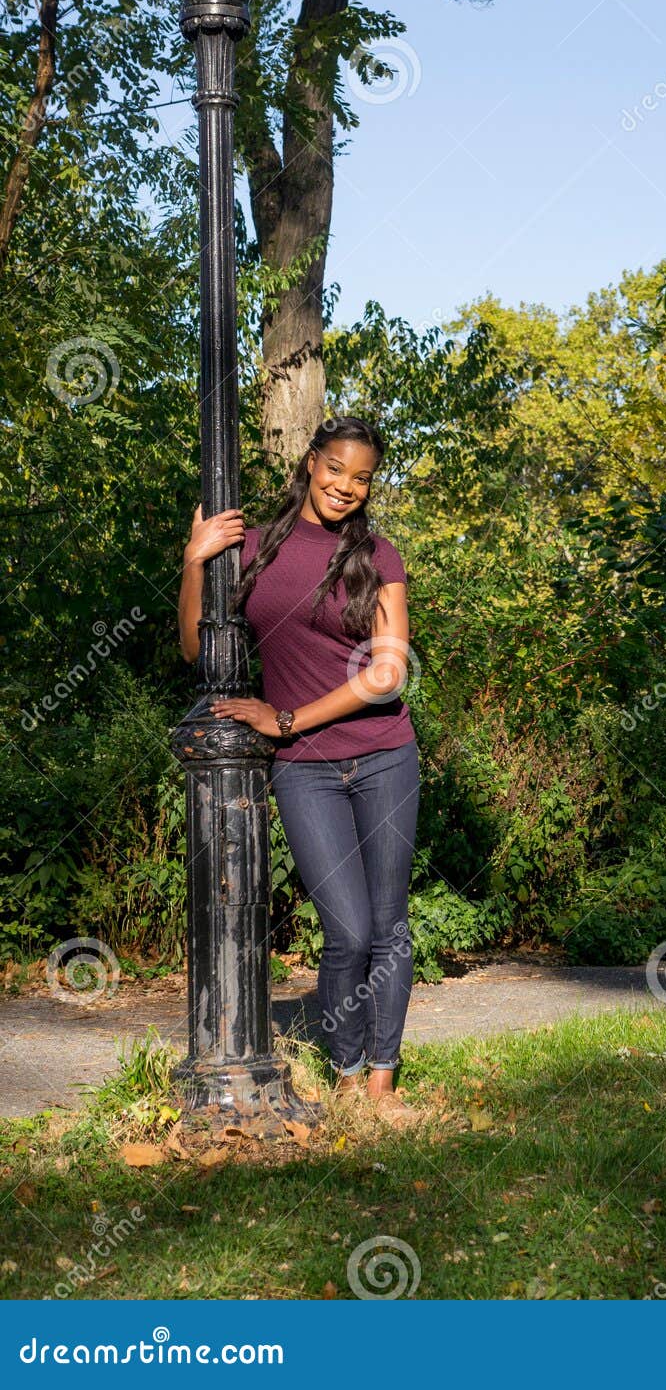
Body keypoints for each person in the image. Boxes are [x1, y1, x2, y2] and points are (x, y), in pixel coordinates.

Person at [178, 415, 420, 1125]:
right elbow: (195, 648)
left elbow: (387, 673)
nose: (346, 486)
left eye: (362, 477)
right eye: (336, 468)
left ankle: (378, 1083)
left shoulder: (379, 556)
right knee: (345, 929)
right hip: (305, 771)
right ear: (311, 462)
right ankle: (345, 1068)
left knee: (388, 926)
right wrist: (195, 560)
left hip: (383, 756)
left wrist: (285, 719)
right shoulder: (251, 547)